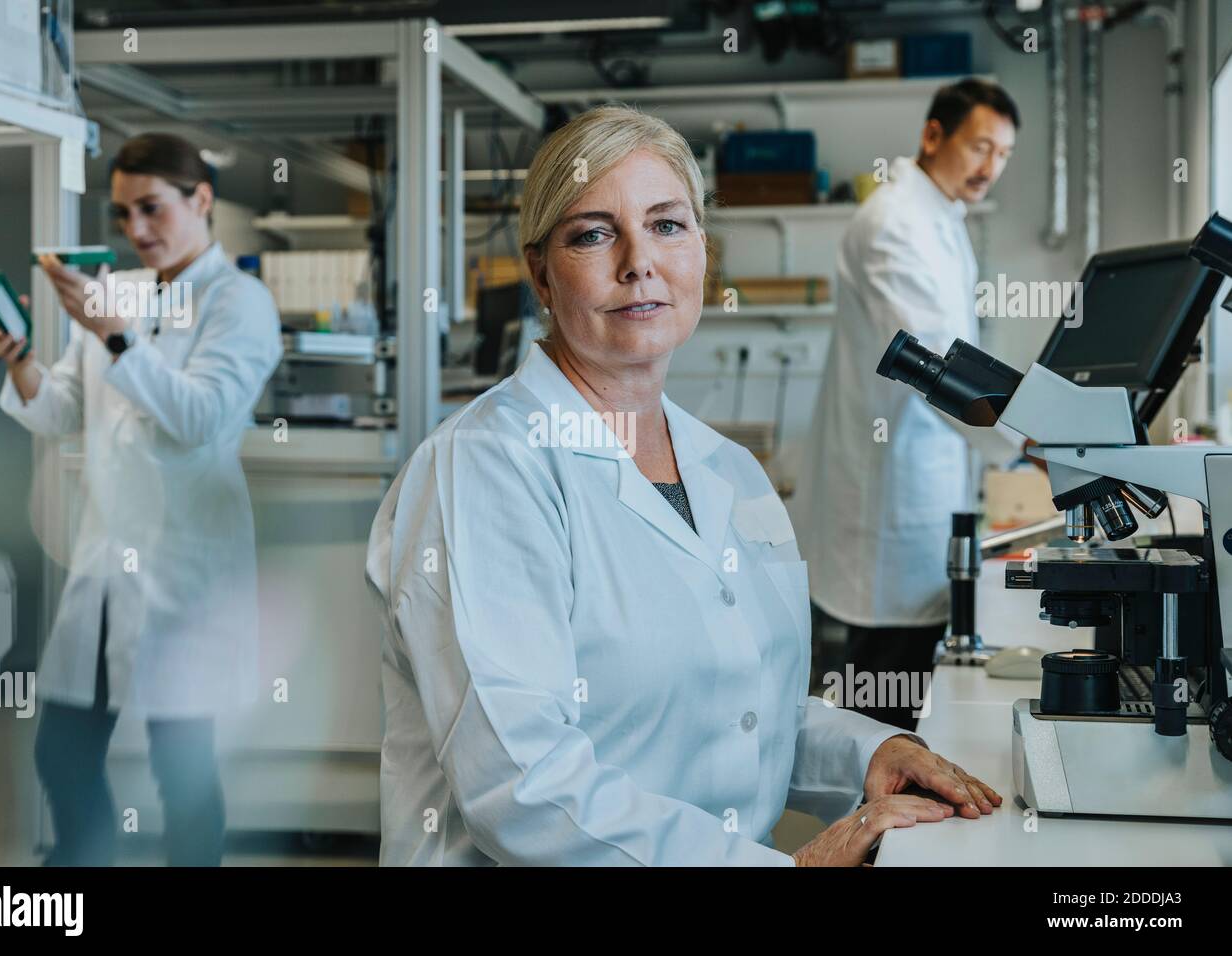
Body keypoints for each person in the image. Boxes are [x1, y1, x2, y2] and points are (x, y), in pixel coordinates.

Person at [365, 105, 1000, 867]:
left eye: (667, 225)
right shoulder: (484, 468)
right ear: (540, 272)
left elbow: (741, 703)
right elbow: (524, 785)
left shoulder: (726, 468)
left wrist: (871, 751)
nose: (639, 261)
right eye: (593, 234)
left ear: (704, 251)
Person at [0, 133, 283, 865]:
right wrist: (23, 358)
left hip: (185, 573)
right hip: (105, 566)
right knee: (62, 752)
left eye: (151, 209)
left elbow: (199, 419)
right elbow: (60, 411)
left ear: (201, 200)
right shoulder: (114, 293)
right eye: (123, 215)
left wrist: (116, 337)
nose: (136, 230)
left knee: (179, 770)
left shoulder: (240, 303)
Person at [798, 79, 1023, 731]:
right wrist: (1031, 444)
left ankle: (881, 821)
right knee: (880, 706)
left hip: (922, 485)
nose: (991, 166)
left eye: (1004, 153)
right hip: (890, 502)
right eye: (981, 145)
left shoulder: (939, 218)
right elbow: (935, 362)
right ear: (933, 136)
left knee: (902, 695)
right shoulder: (895, 220)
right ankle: (865, 831)